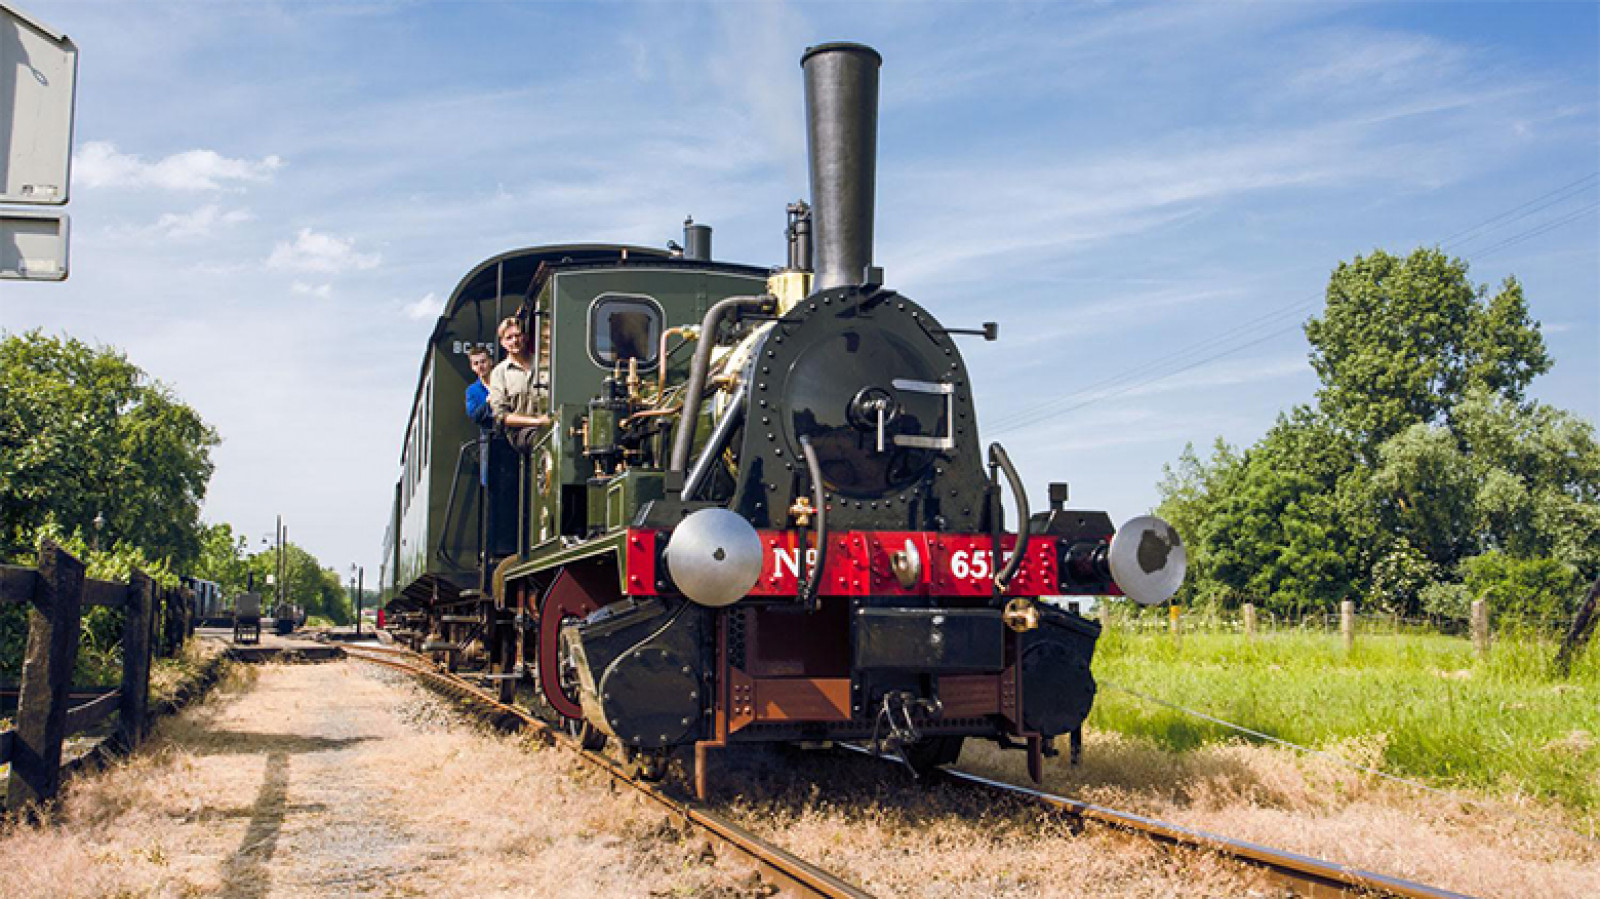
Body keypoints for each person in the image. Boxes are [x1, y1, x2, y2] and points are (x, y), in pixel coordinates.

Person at [488, 316, 552, 451]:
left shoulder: (547, 364)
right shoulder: (499, 373)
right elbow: (501, 416)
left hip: (552, 424)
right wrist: (538, 421)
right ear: (502, 343)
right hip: (521, 432)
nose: (514, 341)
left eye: (518, 335)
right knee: (542, 439)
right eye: (509, 338)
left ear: (526, 337)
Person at [464, 346, 495, 485]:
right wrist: (487, 403)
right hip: (488, 437)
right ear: (472, 367)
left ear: (490, 362)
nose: (480, 366)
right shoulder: (472, 391)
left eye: (483, 361)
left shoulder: (502, 382)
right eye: (476, 363)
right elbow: (474, 416)